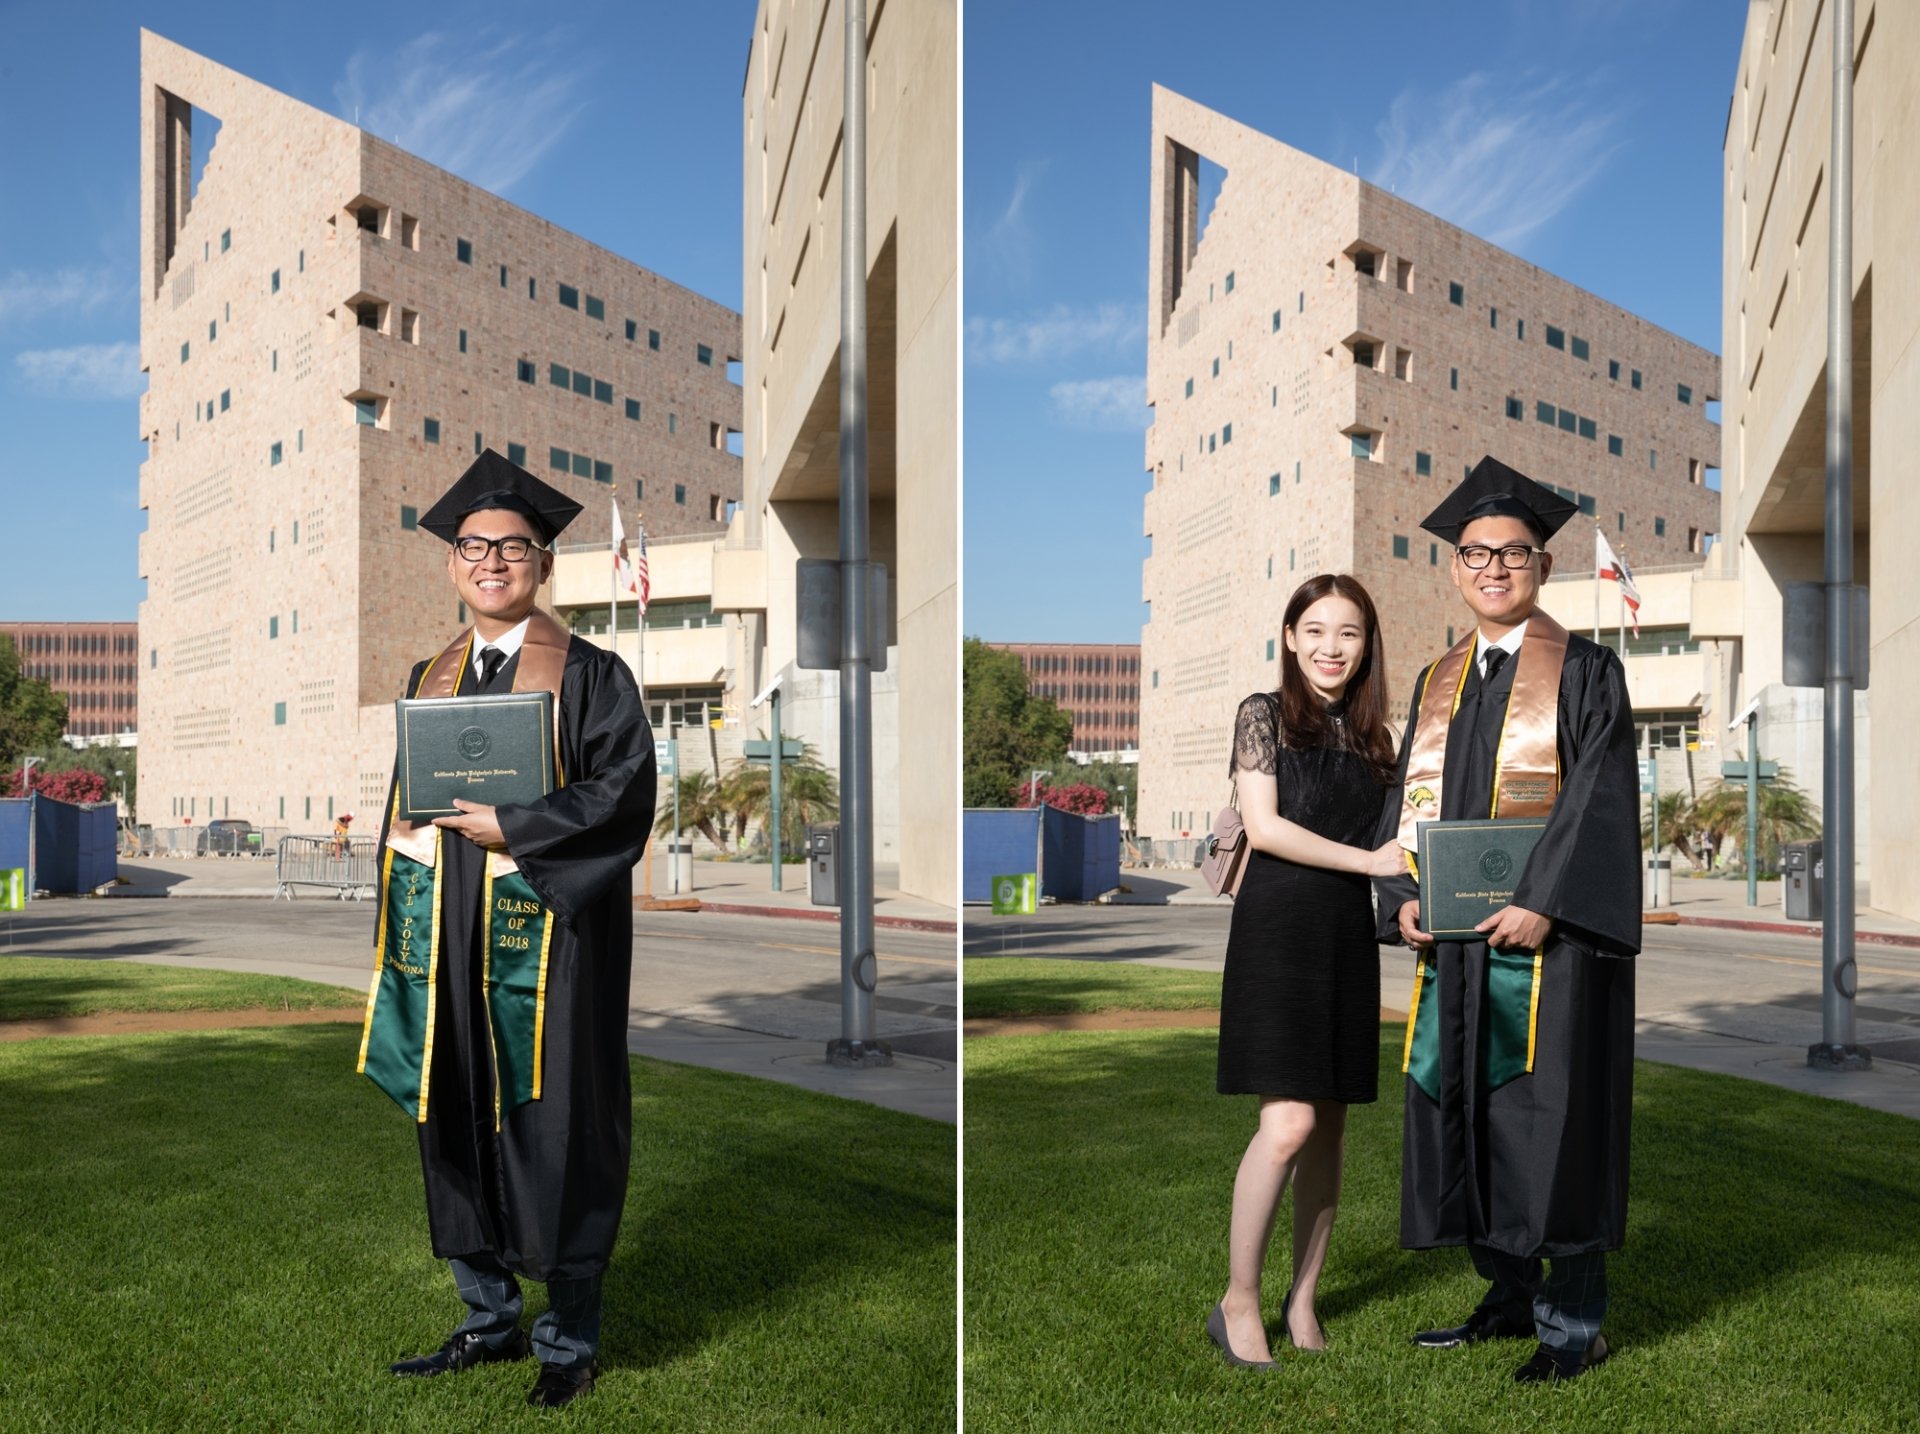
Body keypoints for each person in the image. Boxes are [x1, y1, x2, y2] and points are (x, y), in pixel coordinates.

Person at [358, 450, 657, 1410]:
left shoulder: (594, 676)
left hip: (551, 950)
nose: (493, 561)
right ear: (453, 563)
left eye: (514, 546)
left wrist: (517, 829)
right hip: (447, 935)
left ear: (542, 563)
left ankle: (566, 1342)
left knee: (556, 1124)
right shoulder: (429, 673)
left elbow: (623, 795)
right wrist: (408, 847)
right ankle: (487, 1316)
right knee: (452, 1113)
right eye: (474, 546)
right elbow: (411, 798)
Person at [1372, 456, 1639, 1385]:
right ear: (1454, 567)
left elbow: (1599, 799)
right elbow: (1409, 807)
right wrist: (1401, 898)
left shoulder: (1587, 672)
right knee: (1472, 1115)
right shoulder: (1438, 680)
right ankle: (1506, 1295)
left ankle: (1573, 1328)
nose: (1493, 568)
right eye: (1476, 553)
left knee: (1550, 1121)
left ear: (1542, 566)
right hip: (1456, 949)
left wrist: (1541, 901)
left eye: (1513, 553)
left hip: (1550, 950)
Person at [1207, 574, 1406, 1367]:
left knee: (1329, 1130)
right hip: (1279, 927)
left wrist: (1407, 902)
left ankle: (1303, 1299)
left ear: (1367, 646)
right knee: (1287, 1124)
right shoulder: (1264, 716)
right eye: (1315, 630)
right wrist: (1368, 861)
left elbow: (1403, 846)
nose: (1331, 646)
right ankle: (1238, 1300)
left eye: (1349, 633)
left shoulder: (1377, 740)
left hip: (1346, 938)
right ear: (1290, 637)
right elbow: (1265, 826)